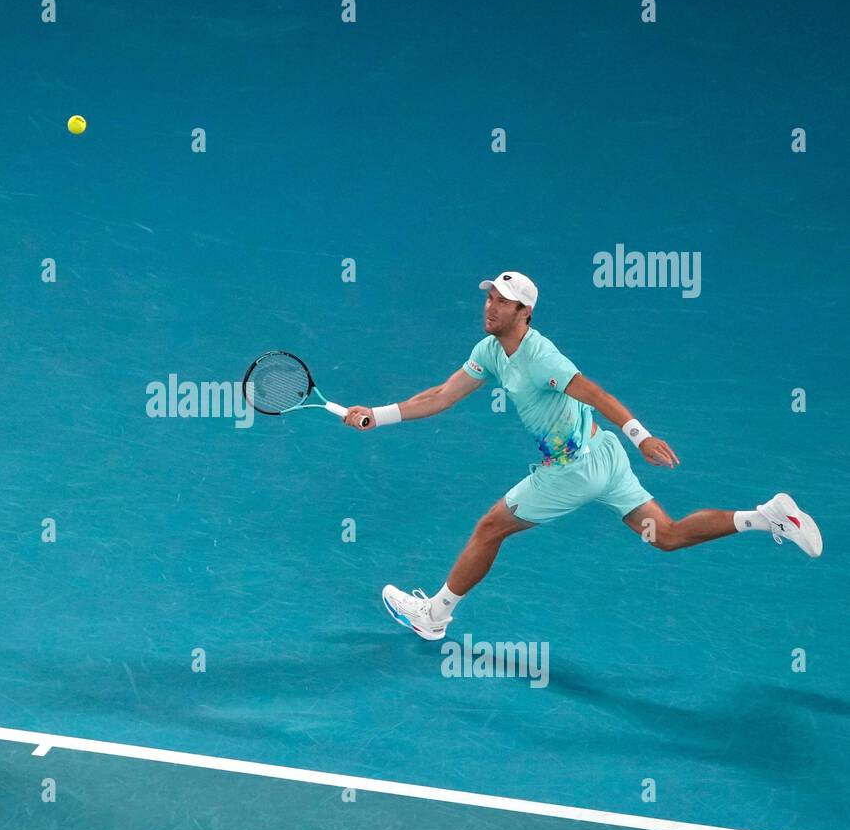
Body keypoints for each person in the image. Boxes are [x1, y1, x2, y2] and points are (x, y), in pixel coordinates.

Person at [342, 271, 822, 640]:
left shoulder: (543, 356)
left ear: (524, 311)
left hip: (572, 470)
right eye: (489, 297)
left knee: (491, 528)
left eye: (501, 302)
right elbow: (442, 395)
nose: (490, 306)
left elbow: (593, 392)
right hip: (603, 459)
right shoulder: (489, 350)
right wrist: (378, 416)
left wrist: (642, 436)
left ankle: (435, 616)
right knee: (667, 535)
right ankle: (766, 518)